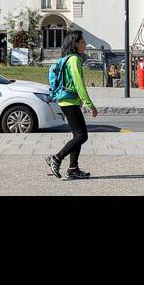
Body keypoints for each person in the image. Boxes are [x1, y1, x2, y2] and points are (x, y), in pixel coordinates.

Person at [45, 32, 98, 180]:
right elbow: (78, 83)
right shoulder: (74, 59)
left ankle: (73, 169)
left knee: (77, 135)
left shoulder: (66, 58)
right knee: (82, 135)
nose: (85, 45)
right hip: (69, 102)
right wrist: (90, 104)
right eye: (83, 42)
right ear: (75, 44)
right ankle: (56, 158)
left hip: (66, 100)